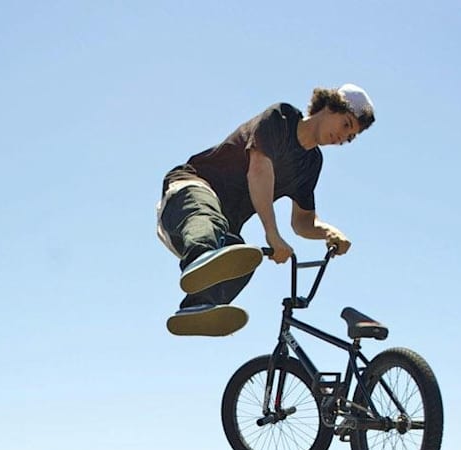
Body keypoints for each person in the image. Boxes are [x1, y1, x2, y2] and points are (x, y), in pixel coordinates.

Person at [156, 84, 374, 337]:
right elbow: (259, 171)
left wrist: (329, 233)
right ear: (329, 107)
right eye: (346, 125)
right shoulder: (281, 119)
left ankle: (198, 307)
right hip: (189, 193)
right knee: (208, 218)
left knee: (242, 261)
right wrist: (272, 234)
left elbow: (303, 222)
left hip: (221, 231)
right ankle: (200, 257)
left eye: (350, 137)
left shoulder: (311, 163)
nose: (342, 137)